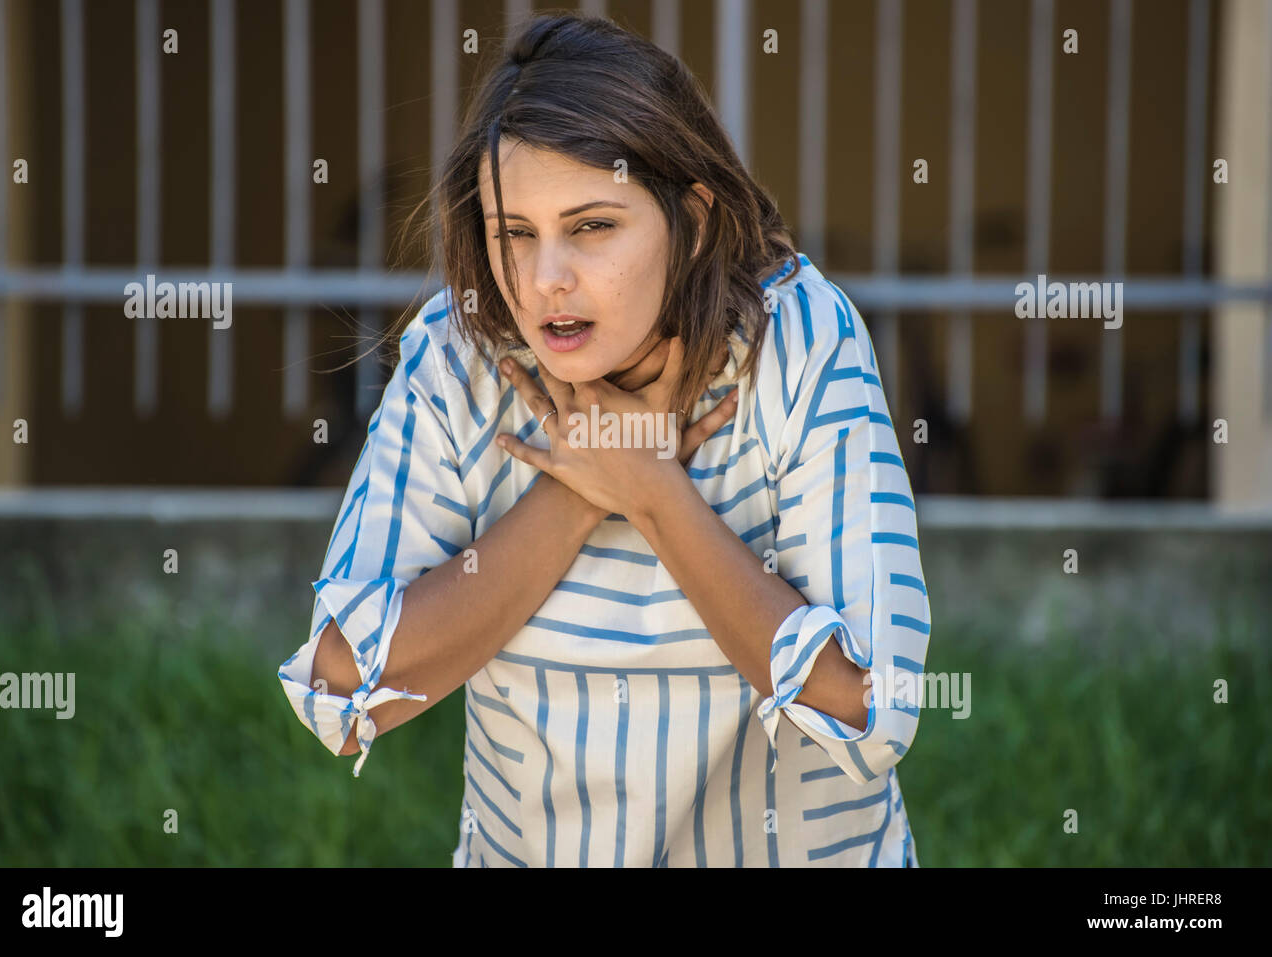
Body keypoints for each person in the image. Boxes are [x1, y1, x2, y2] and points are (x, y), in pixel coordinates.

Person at [277, 12, 931, 867]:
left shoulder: (801, 342)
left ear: (691, 220)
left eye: (591, 227)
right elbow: (339, 687)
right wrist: (582, 483)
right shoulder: (461, 354)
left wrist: (658, 494)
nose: (546, 280)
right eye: (516, 234)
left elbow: (870, 710)